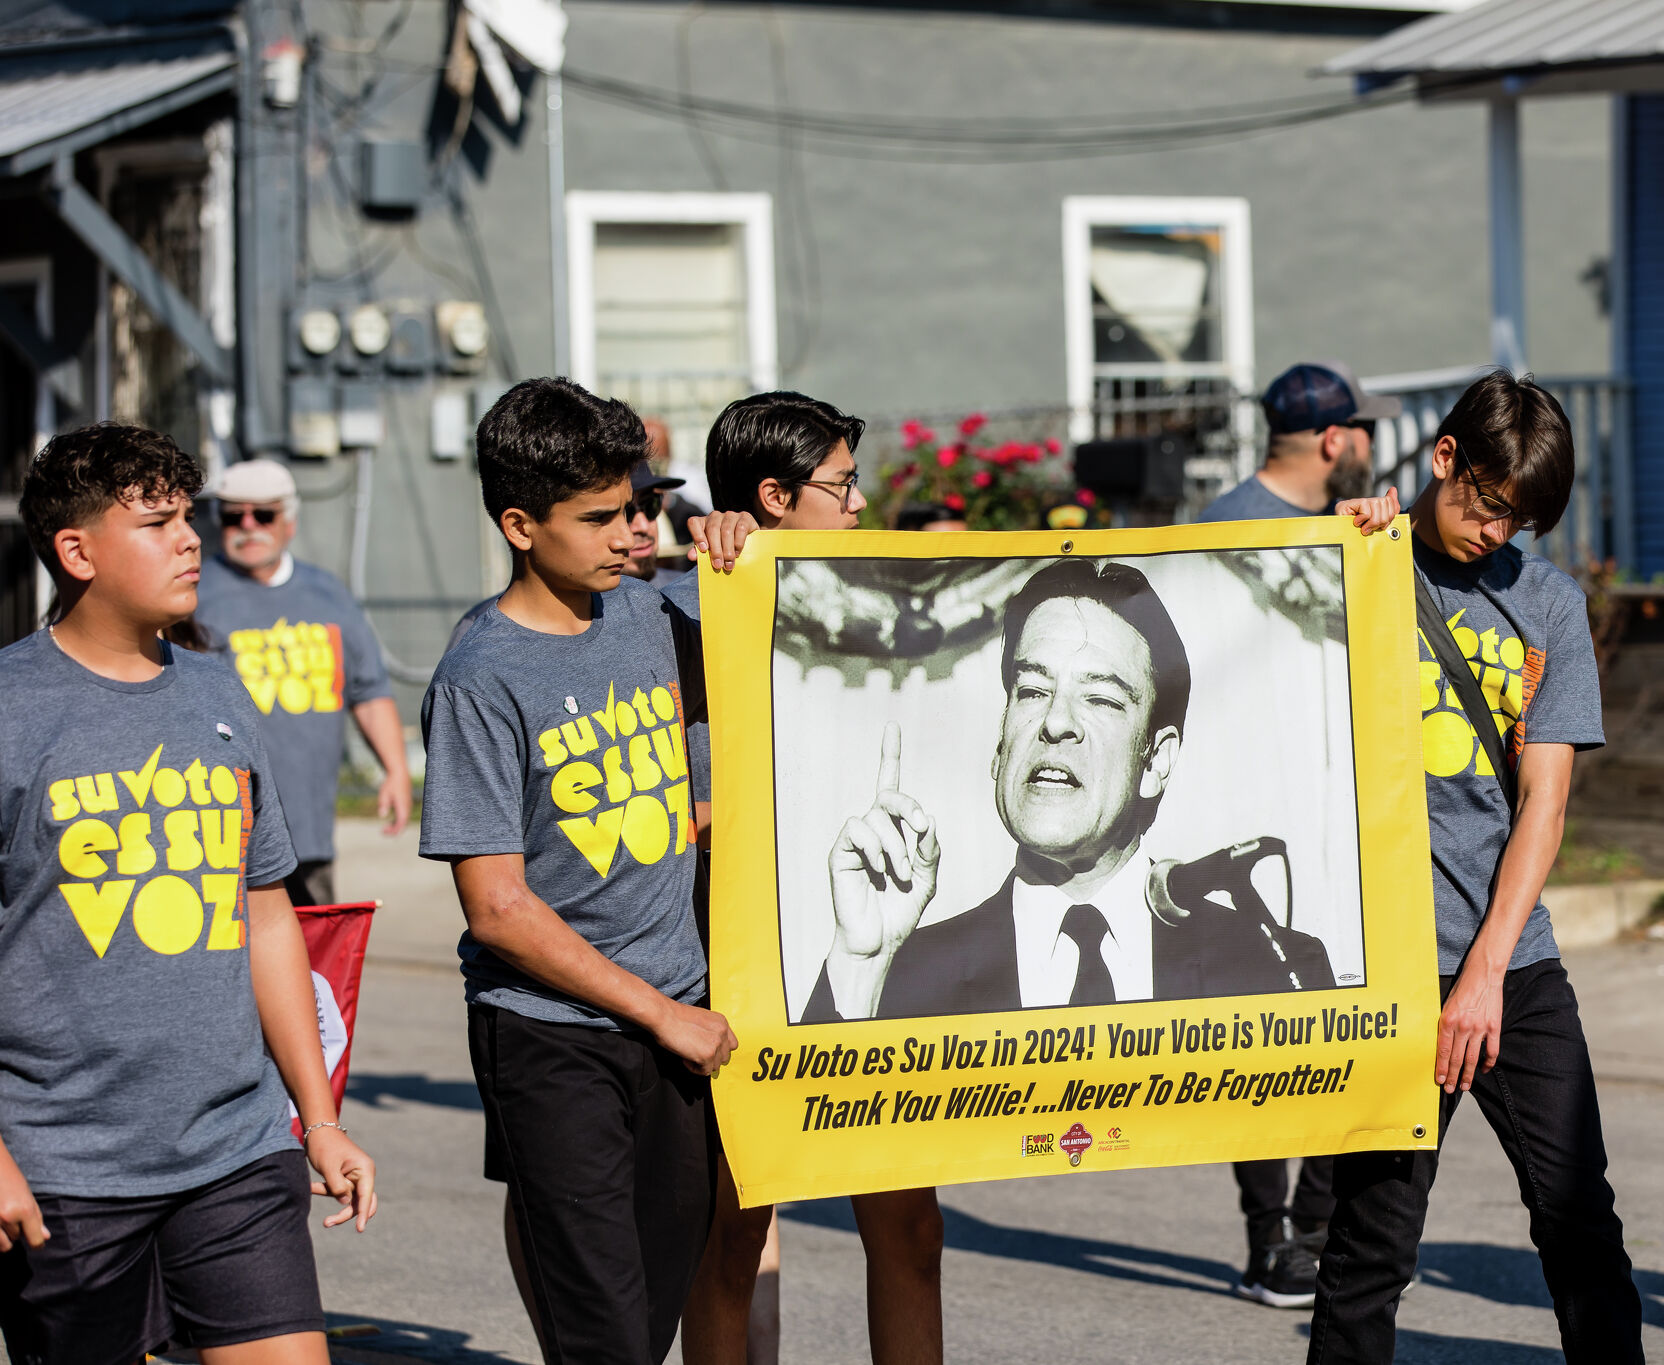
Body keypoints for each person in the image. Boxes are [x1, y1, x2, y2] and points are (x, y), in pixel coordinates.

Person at [0, 423, 377, 1365]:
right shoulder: (9, 709)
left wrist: (317, 1119)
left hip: (236, 1149)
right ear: (76, 551)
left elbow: (265, 915)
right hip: (61, 1171)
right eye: (157, 522)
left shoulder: (216, 691)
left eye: (187, 517)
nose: (191, 540)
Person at [1311, 370, 1643, 1364]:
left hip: (1511, 963)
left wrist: (1489, 972)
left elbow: (1543, 803)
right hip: (1384, 967)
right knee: (1370, 1245)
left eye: (1522, 520)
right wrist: (1329, 535)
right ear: (1443, 458)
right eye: (1490, 506)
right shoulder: (1355, 559)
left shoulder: (1544, 602)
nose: (1499, 533)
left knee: (1578, 1220)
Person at [419, 378, 735, 1365]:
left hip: (673, 1034)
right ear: (520, 524)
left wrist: (744, 553)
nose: (628, 532)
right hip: (555, 1040)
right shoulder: (482, 674)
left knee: (648, 1320)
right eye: (598, 516)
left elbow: (802, 640)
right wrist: (658, 1011)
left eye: (637, 508)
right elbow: (499, 907)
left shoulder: (648, 617)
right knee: (602, 1334)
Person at [676, 390, 944, 1365]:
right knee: (736, 1231)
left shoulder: (882, 595)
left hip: (879, 960)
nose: (860, 504)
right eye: (841, 485)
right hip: (744, 971)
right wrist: (708, 550)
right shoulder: (688, 602)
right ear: (773, 496)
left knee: (909, 1229)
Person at [803, 555, 1337, 1021]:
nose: (1056, 723)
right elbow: (805, 1130)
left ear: (1157, 760)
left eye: (1101, 699)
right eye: (1033, 690)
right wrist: (862, 966)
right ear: (1000, 741)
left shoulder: (1270, 965)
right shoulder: (902, 975)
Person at [1198, 360, 1404, 1309]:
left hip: (1271, 801)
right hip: (1272, 807)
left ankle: (1283, 1232)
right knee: (1298, 1009)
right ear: (1336, 441)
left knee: (1289, 1014)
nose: (1368, 447)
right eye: (1363, 432)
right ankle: (1293, 1231)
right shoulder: (1304, 528)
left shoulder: (1217, 522)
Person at [193, 458, 410, 905]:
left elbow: (368, 690)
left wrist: (395, 770)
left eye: (264, 515)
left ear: (289, 521)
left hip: (307, 834)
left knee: (314, 967)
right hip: (221, 834)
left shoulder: (327, 593)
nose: (248, 526)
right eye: (234, 516)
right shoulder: (193, 594)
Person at [448, 452, 684, 652]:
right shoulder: (481, 642)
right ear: (520, 528)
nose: (636, 530)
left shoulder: (684, 599)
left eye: (652, 506)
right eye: (601, 516)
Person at [1198, 362, 1398, 522]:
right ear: (1333, 441)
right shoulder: (1225, 535)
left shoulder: (1220, 523)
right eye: (1369, 428)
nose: (1372, 445)